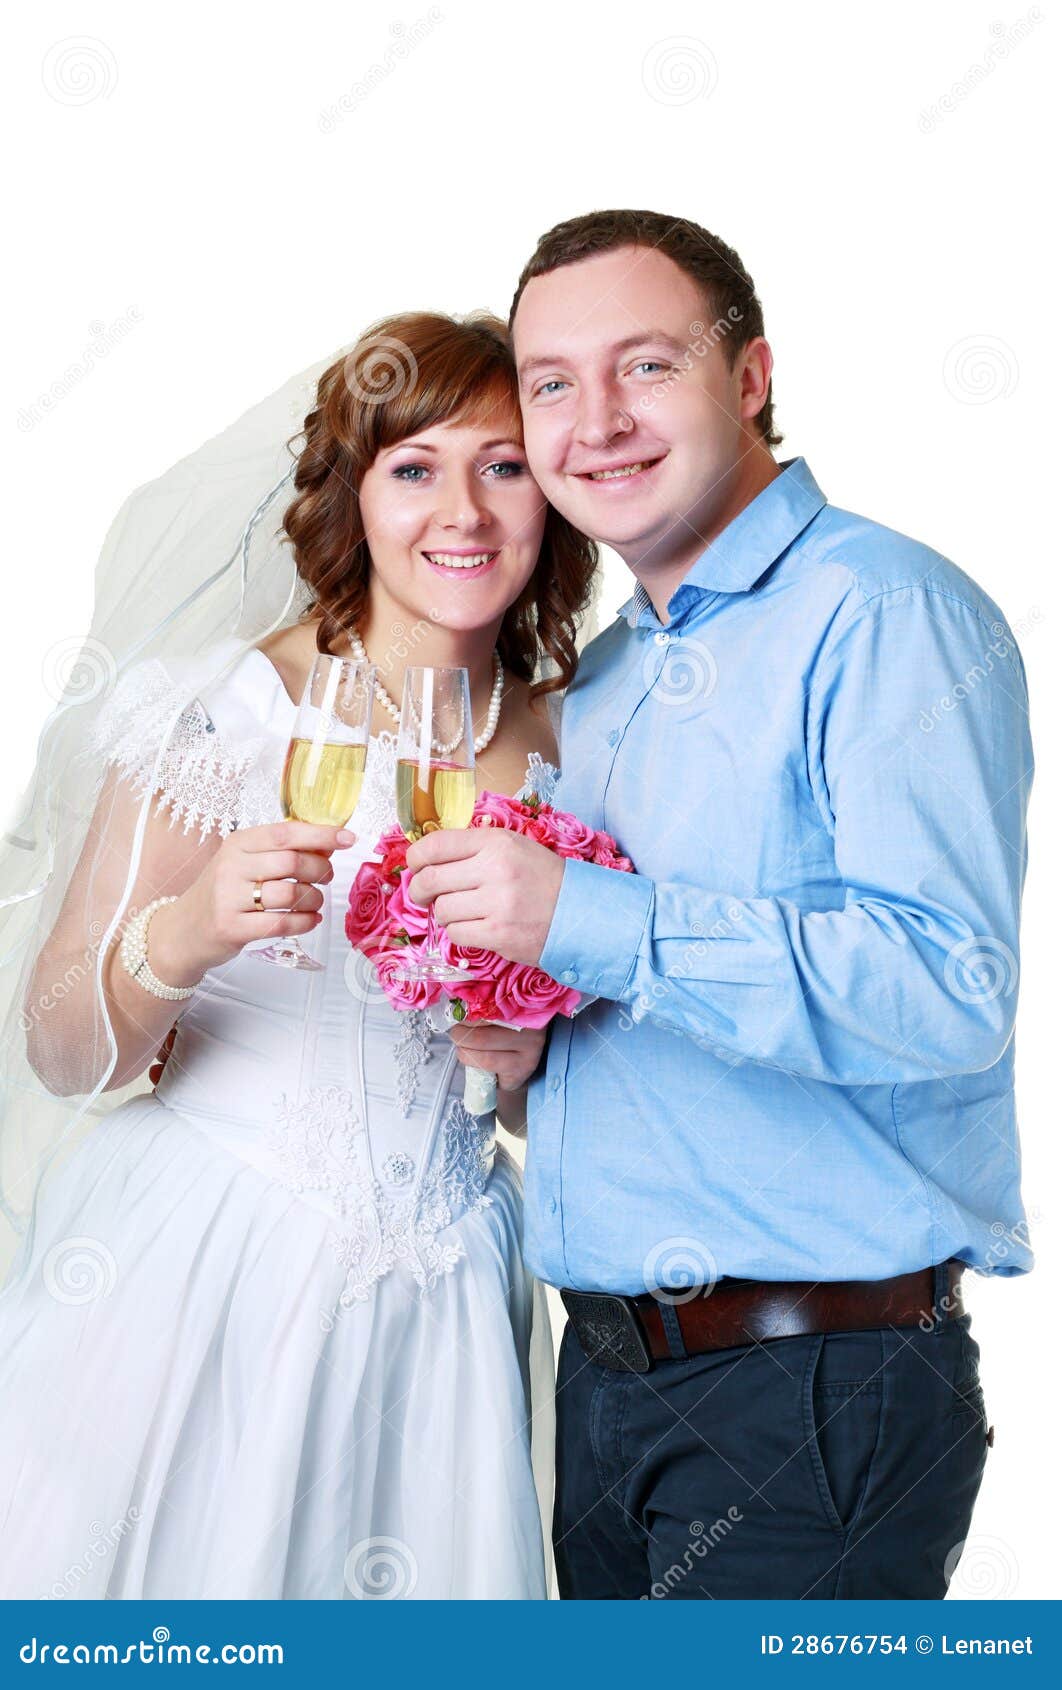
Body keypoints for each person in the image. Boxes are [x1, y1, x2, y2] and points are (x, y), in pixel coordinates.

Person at [406, 210, 1034, 1600]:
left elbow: (946, 992)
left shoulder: (879, 610)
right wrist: (527, 1059)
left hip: (807, 1395)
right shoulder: (608, 678)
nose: (597, 422)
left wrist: (581, 917)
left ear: (748, 377)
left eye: (646, 365)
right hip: (605, 1383)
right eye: (553, 383)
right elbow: (668, 1040)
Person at [0, 310, 596, 1599]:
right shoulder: (222, 713)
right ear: (351, 495)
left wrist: (521, 1068)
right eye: (414, 468)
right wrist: (188, 929)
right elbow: (58, 1048)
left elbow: (568, 1081)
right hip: (204, 1265)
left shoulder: (574, 742)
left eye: (503, 466)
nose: (465, 512)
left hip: (446, 1302)